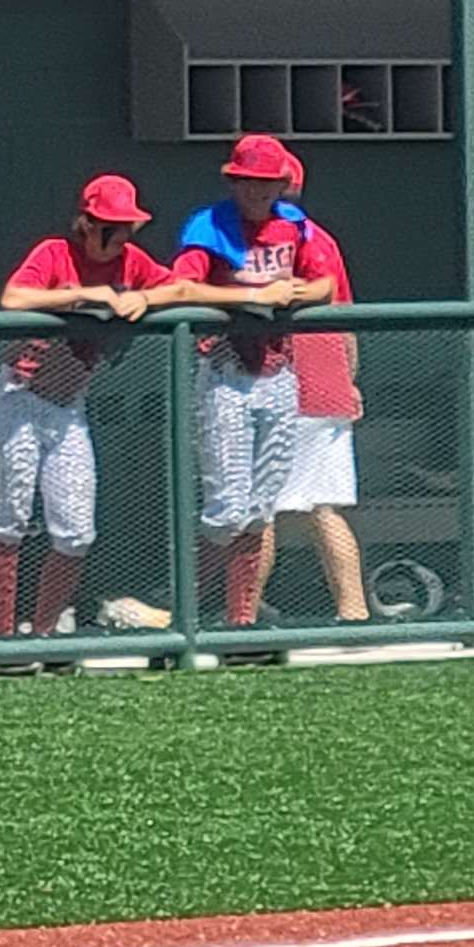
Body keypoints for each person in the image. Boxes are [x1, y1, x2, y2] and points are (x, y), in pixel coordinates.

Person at [0, 176, 166, 668]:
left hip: (67, 404)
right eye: (110, 226)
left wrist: (144, 300)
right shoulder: (55, 253)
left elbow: (177, 286)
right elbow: (15, 298)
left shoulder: (133, 263)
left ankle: (46, 636)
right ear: (86, 223)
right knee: (8, 520)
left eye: (127, 227)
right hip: (17, 396)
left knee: (76, 529)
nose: (121, 236)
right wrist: (87, 296)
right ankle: (4, 643)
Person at [168, 134, 336, 632]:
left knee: (261, 509)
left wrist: (298, 292)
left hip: (278, 373)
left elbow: (325, 284)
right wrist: (248, 295)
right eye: (250, 183)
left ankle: (240, 621)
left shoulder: (295, 226)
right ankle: (187, 614)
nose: (259, 193)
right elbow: (180, 288)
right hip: (226, 373)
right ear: (234, 182)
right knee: (225, 509)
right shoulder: (210, 223)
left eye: (269, 183)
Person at [264, 168, 370, 625]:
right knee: (322, 508)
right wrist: (349, 380)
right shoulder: (323, 237)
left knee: (258, 511)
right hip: (330, 386)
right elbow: (346, 322)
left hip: (292, 384)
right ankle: (355, 613)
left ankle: (240, 617)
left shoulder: (278, 240)